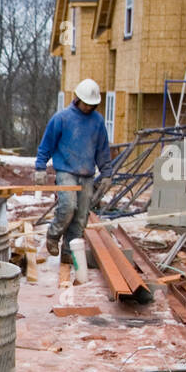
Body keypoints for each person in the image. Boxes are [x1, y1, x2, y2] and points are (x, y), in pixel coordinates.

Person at [33, 79, 112, 265]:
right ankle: (53, 235)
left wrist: (107, 173)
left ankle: (68, 251)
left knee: (82, 216)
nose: (88, 108)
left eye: (92, 105)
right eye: (86, 104)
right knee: (68, 207)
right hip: (66, 171)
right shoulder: (62, 118)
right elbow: (46, 144)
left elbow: (102, 150)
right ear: (77, 98)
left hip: (86, 174)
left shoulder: (98, 122)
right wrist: (40, 167)